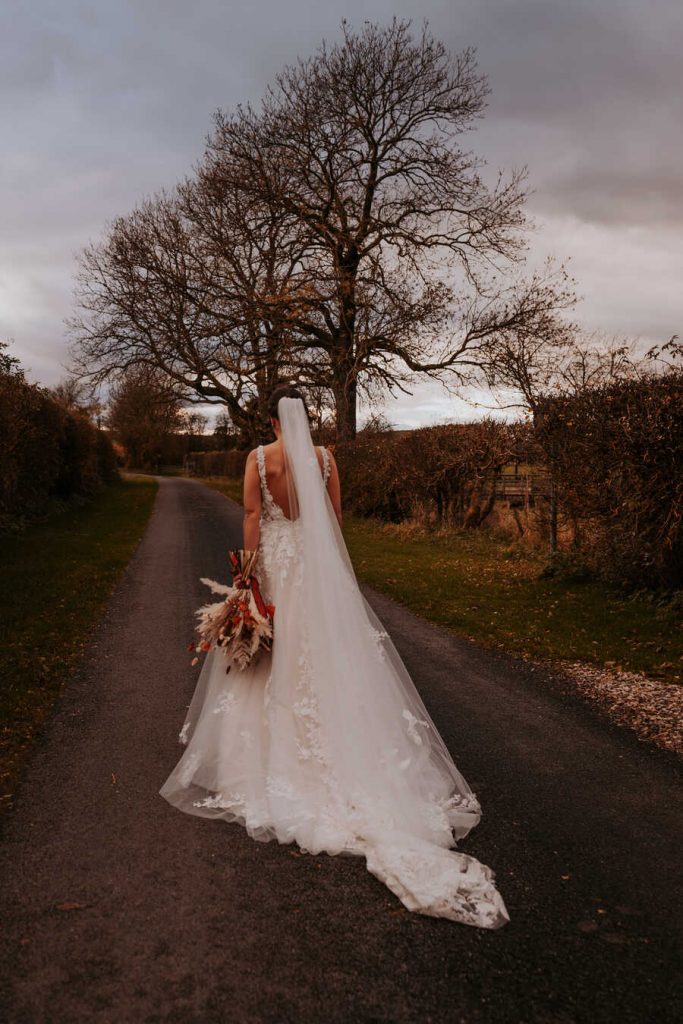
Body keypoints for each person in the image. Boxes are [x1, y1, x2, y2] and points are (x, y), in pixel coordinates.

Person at [160, 386, 509, 928]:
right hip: (315, 569)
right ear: (306, 417)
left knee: (272, 657)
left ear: (274, 419)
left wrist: (248, 577)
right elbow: (335, 518)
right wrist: (324, 565)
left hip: (275, 563)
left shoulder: (258, 459)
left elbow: (252, 516)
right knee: (329, 654)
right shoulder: (325, 459)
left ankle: (274, 758)